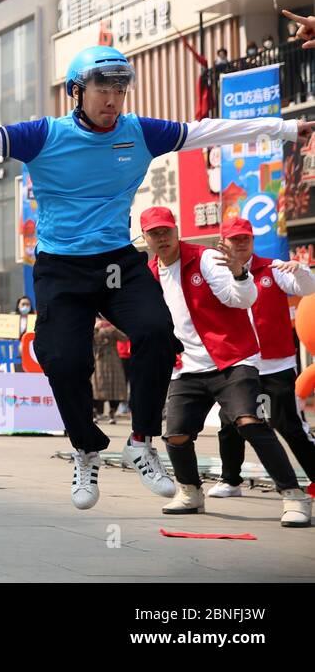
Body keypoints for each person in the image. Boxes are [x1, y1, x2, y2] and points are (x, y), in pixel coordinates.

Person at [0, 44, 315, 510]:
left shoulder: (140, 133)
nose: (112, 98)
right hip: (61, 265)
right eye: (102, 88)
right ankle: (85, 449)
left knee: (157, 332)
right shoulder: (43, 135)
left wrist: (284, 126)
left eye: (120, 88)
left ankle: (142, 441)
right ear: (76, 92)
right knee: (60, 358)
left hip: (115, 261)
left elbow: (205, 130)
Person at [142, 209, 310, 525]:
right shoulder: (151, 272)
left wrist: (239, 274)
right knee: (175, 435)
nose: (162, 238)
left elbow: (242, 300)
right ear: (146, 238)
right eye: (154, 234)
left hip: (233, 358)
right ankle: (191, 491)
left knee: (250, 421)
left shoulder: (205, 259)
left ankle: (294, 496)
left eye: (166, 231)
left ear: (176, 230)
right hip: (187, 366)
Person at [206, 219, 315, 501]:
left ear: (253, 240)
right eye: (235, 238)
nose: (241, 243)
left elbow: (306, 288)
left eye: (246, 238)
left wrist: (300, 270)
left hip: (275, 365)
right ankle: (231, 480)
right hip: (238, 364)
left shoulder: (273, 267)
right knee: (230, 424)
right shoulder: (215, 273)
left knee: (289, 425)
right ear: (223, 242)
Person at [91, 319, 126, 424]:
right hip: (97, 360)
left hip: (113, 361)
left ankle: (112, 412)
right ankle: (95, 412)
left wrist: (113, 328)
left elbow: (125, 338)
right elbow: (85, 338)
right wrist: (96, 327)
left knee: (115, 388)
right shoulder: (93, 324)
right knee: (96, 387)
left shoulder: (112, 326)